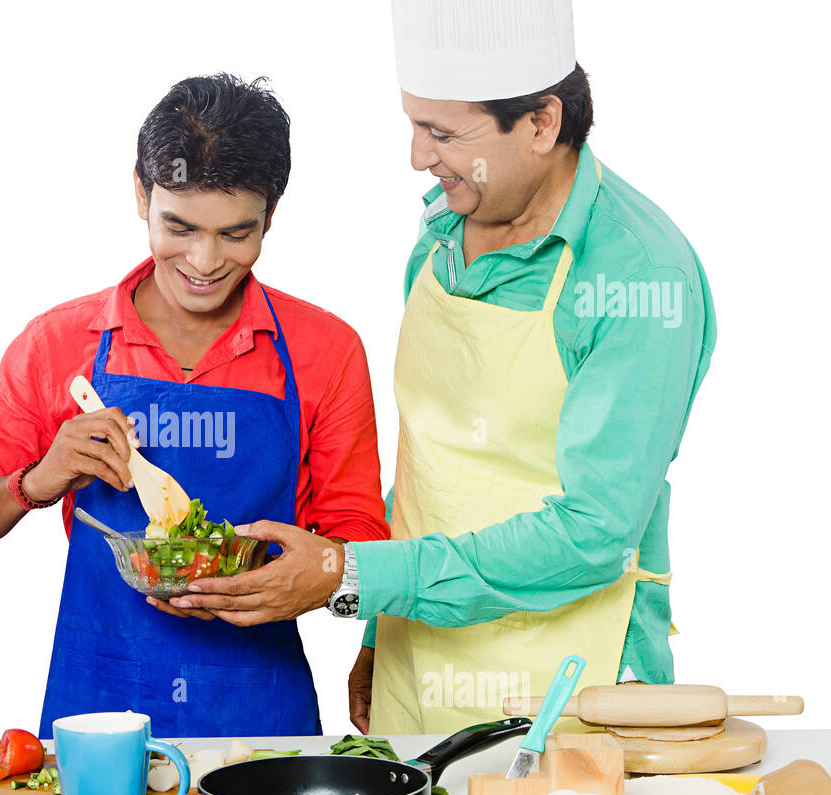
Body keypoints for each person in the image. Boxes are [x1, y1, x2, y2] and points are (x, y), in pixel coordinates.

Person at [176, 0, 717, 734]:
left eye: (441, 133)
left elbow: (595, 533)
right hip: (417, 662)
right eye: (412, 123)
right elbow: (432, 462)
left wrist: (355, 576)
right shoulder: (440, 234)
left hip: (567, 689)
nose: (416, 157)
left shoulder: (639, 279)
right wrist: (376, 626)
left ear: (540, 123)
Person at [0, 74, 388, 738]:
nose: (203, 261)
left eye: (236, 233)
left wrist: (297, 578)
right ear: (141, 192)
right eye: (179, 226)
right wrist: (38, 480)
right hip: (100, 711)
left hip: (260, 710)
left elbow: (362, 552)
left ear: (272, 214)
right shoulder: (60, 343)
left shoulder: (326, 350)